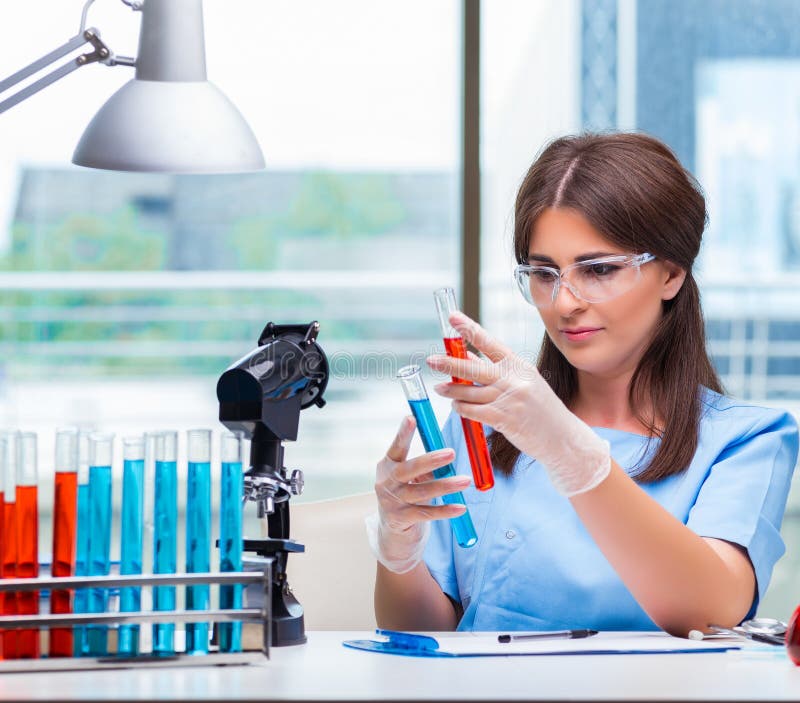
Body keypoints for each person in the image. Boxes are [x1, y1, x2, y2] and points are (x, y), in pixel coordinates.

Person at [367, 132, 799, 638]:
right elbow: (422, 634)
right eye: (544, 273)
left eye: (598, 270)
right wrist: (398, 550)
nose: (565, 302)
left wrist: (568, 450)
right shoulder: (486, 420)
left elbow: (712, 610)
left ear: (672, 274)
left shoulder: (746, 441)